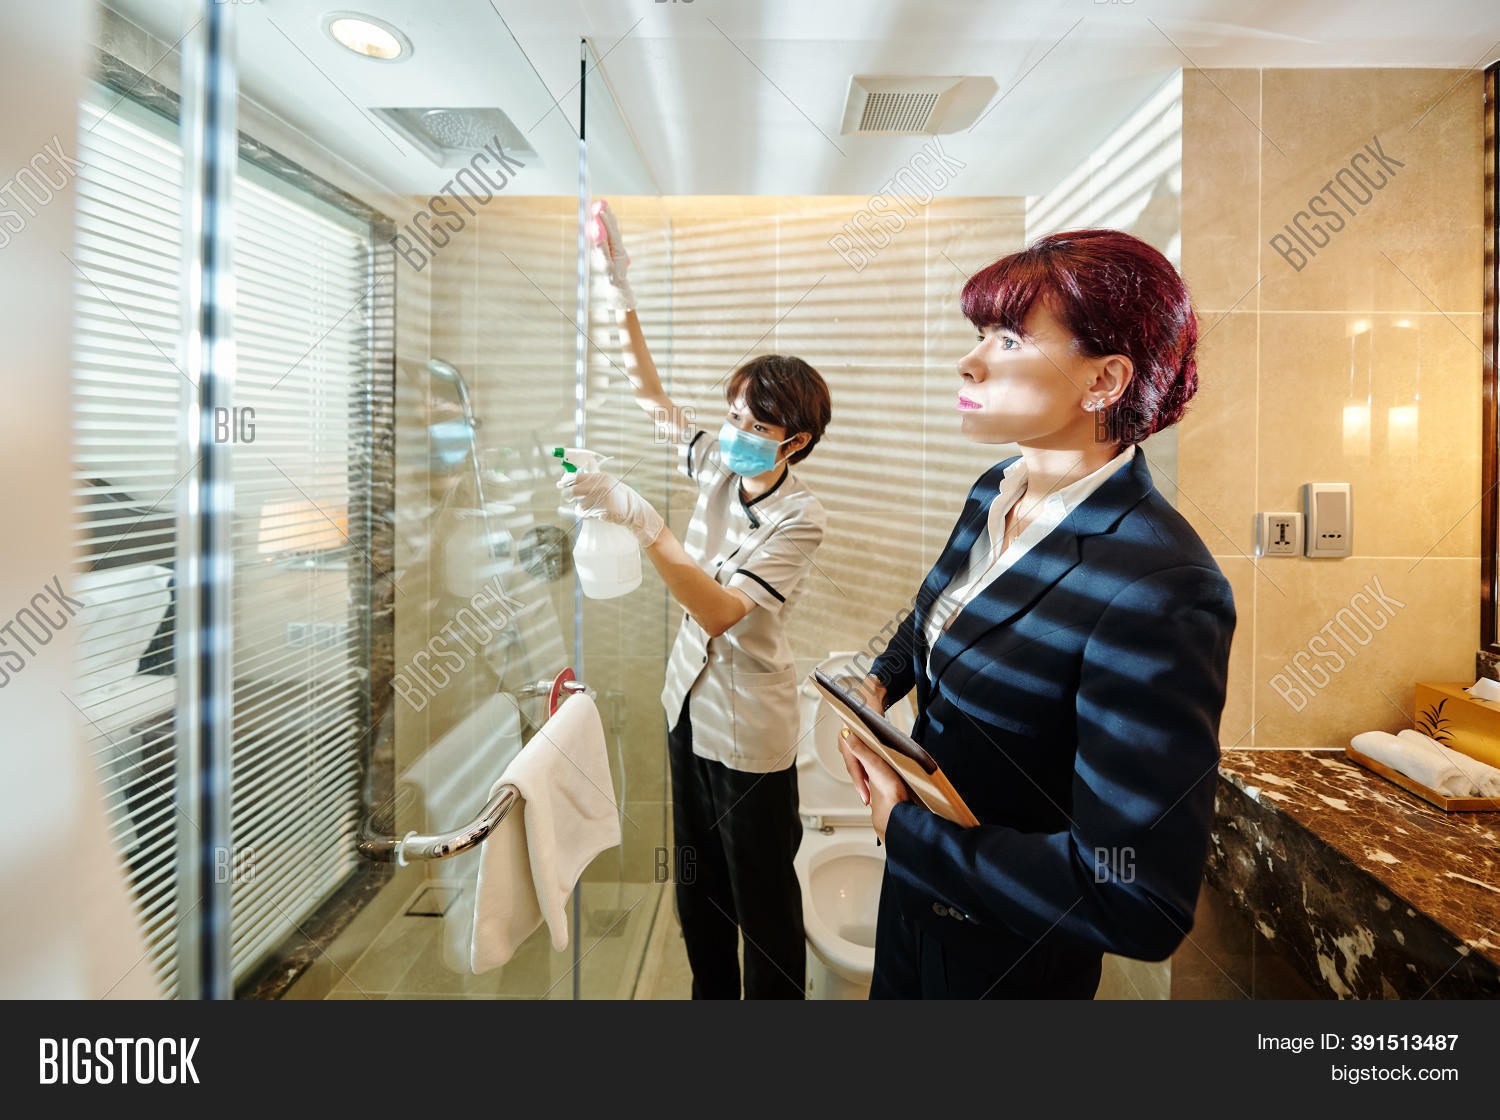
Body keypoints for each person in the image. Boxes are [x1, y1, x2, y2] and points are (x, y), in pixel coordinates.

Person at [837, 228, 1236, 999]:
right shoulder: (997, 488)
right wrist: (878, 687)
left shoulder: (1162, 585)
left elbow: (1137, 900)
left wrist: (903, 829)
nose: (971, 360)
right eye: (980, 333)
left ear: (1104, 380)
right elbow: (932, 618)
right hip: (913, 907)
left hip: (1008, 963)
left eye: (1010, 338)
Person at [559, 200, 832, 999]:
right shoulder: (715, 462)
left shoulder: (801, 517)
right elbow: (648, 394)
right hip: (684, 702)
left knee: (763, 899)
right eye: (734, 411)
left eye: (759, 421)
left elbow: (719, 611)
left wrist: (640, 518)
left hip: (750, 727)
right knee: (696, 884)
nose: (737, 427)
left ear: (796, 441)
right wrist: (619, 284)